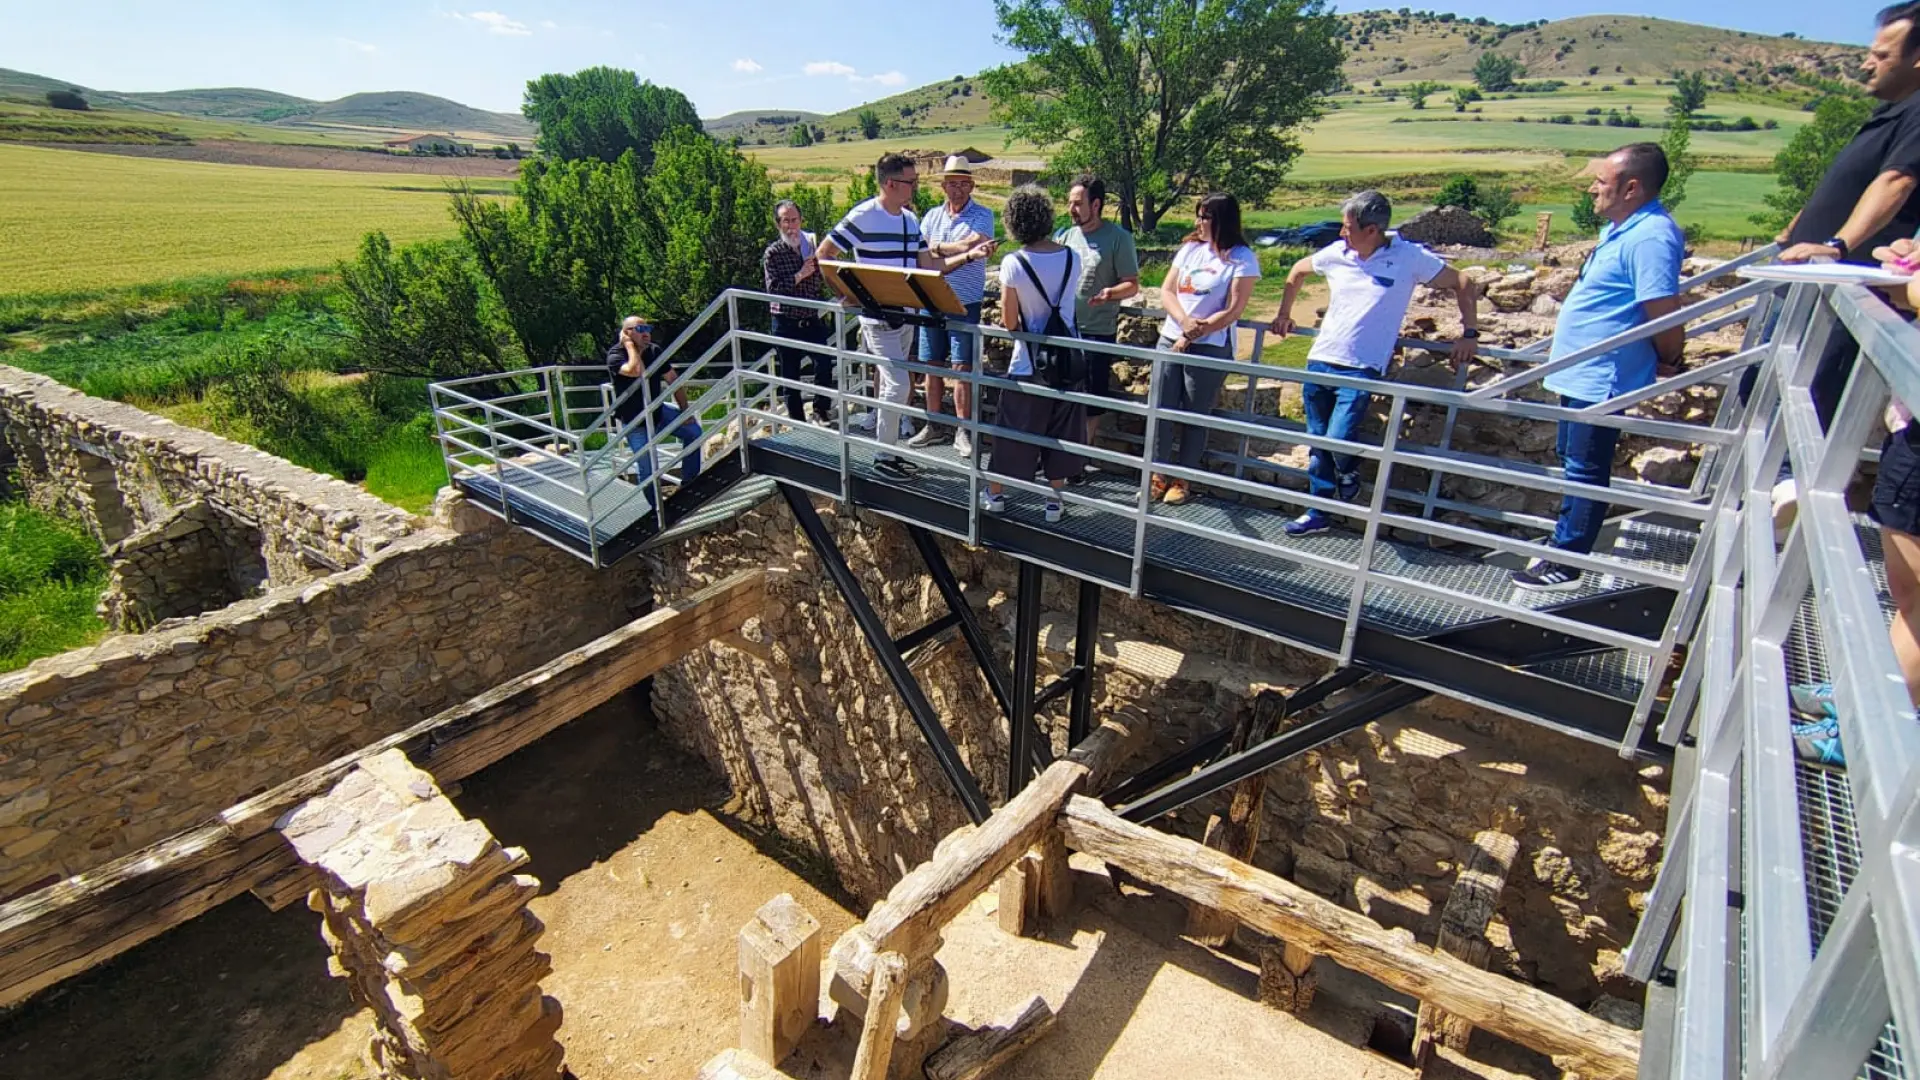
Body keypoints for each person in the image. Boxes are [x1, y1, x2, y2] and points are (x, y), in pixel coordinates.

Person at [1510, 143, 1684, 591]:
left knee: (1587, 467)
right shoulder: (1624, 229)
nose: (1592, 188)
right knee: (1574, 460)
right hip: (1583, 372)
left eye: (1601, 182)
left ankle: (1566, 564)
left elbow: (1661, 308)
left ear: (1631, 187)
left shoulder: (1651, 237)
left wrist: (1670, 356)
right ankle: (1563, 543)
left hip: (1603, 375)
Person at [1269, 191, 1479, 536]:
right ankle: (1318, 510)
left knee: (1336, 438)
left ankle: (1348, 470)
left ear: (1372, 230)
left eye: (1348, 227)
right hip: (1321, 358)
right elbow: (1297, 271)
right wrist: (1283, 314)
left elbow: (1463, 282)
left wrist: (1469, 332)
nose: (1341, 234)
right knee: (1318, 440)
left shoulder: (1409, 257)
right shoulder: (1338, 253)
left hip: (1361, 366)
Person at [1770, 1, 1920, 431]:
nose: (1865, 64)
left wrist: (1838, 246)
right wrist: (1796, 227)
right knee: (1768, 393)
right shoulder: (1896, 111)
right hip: (1809, 282)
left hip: (1838, 292)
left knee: (1803, 410)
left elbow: (1897, 181)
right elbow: (1849, 182)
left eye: (1882, 55)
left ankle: (1787, 492)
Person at [817, 153, 996, 480]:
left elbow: (930, 268)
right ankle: (884, 456)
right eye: (910, 182)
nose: (915, 187)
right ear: (890, 183)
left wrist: (971, 255)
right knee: (898, 385)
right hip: (877, 318)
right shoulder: (862, 216)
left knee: (896, 383)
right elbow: (824, 255)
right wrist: (846, 295)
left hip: (908, 318)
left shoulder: (910, 221)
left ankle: (892, 455)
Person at [983, 185, 1085, 525]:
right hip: (1069, 357)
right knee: (1061, 431)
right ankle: (1055, 502)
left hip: (1029, 361)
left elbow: (1011, 321)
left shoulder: (1014, 263)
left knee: (1014, 430)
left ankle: (996, 494)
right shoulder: (1072, 256)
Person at [1152, 192, 1260, 505]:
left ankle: (1183, 479)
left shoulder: (1242, 258)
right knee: (1161, 408)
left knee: (1194, 415)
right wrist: (1184, 322)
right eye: (1198, 215)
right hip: (1171, 336)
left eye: (1205, 217)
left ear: (1222, 221)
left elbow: (1233, 308)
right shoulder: (1190, 250)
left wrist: (1195, 332)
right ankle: (1157, 473)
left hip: (1209, 345)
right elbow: (1167, 290)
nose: (1199, 223)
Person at [909, 156, 996, 458]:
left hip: (964, 302)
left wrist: (936, 248)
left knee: (962, 368)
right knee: (931, 364)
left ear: (971, 185)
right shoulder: (932, 216)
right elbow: (923, 255)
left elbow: (977, 242)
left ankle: (963, 430)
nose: (957, 189)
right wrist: (960, 248)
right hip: (931, 300)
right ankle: (934, 424)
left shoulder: (983, 215)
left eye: (963, 183)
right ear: (943, 186)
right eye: (952, 184)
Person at [1058, 174, 1141, 457]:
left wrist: (1110, 293)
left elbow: (1132, 283)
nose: (1071, 209)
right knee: (1062, 395)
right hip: (1065, 328)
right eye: (1070, 203)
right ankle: (1061, 455)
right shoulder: (1064, 236)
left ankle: (1079, 457)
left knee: (1091, 400)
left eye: (1077, 203)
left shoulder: (1119, 238)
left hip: (1096, 330)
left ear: (1096, 205)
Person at [606, 315, 701, 487]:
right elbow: (636, 371)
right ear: (626, 333)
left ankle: (689, 482)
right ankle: (655, 509)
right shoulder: (615, 355)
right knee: (647, 469)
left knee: (694, 432)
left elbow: (673, 379)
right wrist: (629, 345)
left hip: (658, 411)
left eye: (648, 329)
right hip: (635, 421)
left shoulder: (654, 351)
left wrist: (685, 411)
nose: (646, 334)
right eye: (640, 329)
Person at [762, 200, 835, 425]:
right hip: (786, 321)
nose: (791, 225)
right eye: (786, 221)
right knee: (790, 376)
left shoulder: (810, 246)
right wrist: (799, 274)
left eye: (795, 220)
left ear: (801, 221)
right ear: (778, 224)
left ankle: (820, 411)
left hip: (810, 318)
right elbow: (773, 289)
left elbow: (821, 279)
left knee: (824, 364)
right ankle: (797, 423)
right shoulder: (773, 253)